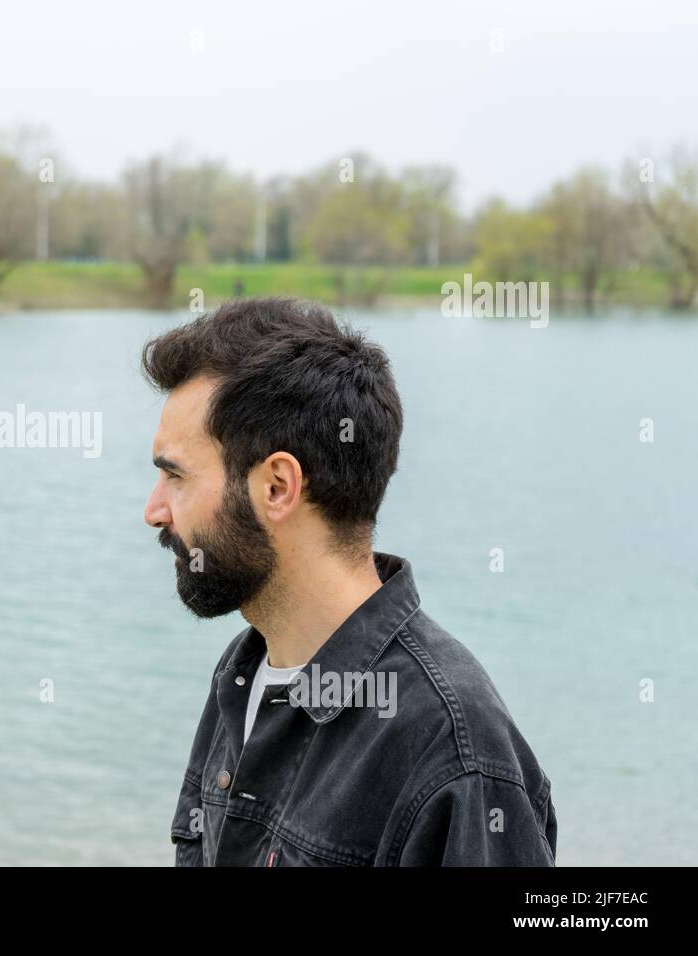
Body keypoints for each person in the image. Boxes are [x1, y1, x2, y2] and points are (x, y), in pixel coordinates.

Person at [142, 296, 556, 866]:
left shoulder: (454, 750)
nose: (154, 511)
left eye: (175, 477)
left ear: (278, 487)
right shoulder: (243, 674)